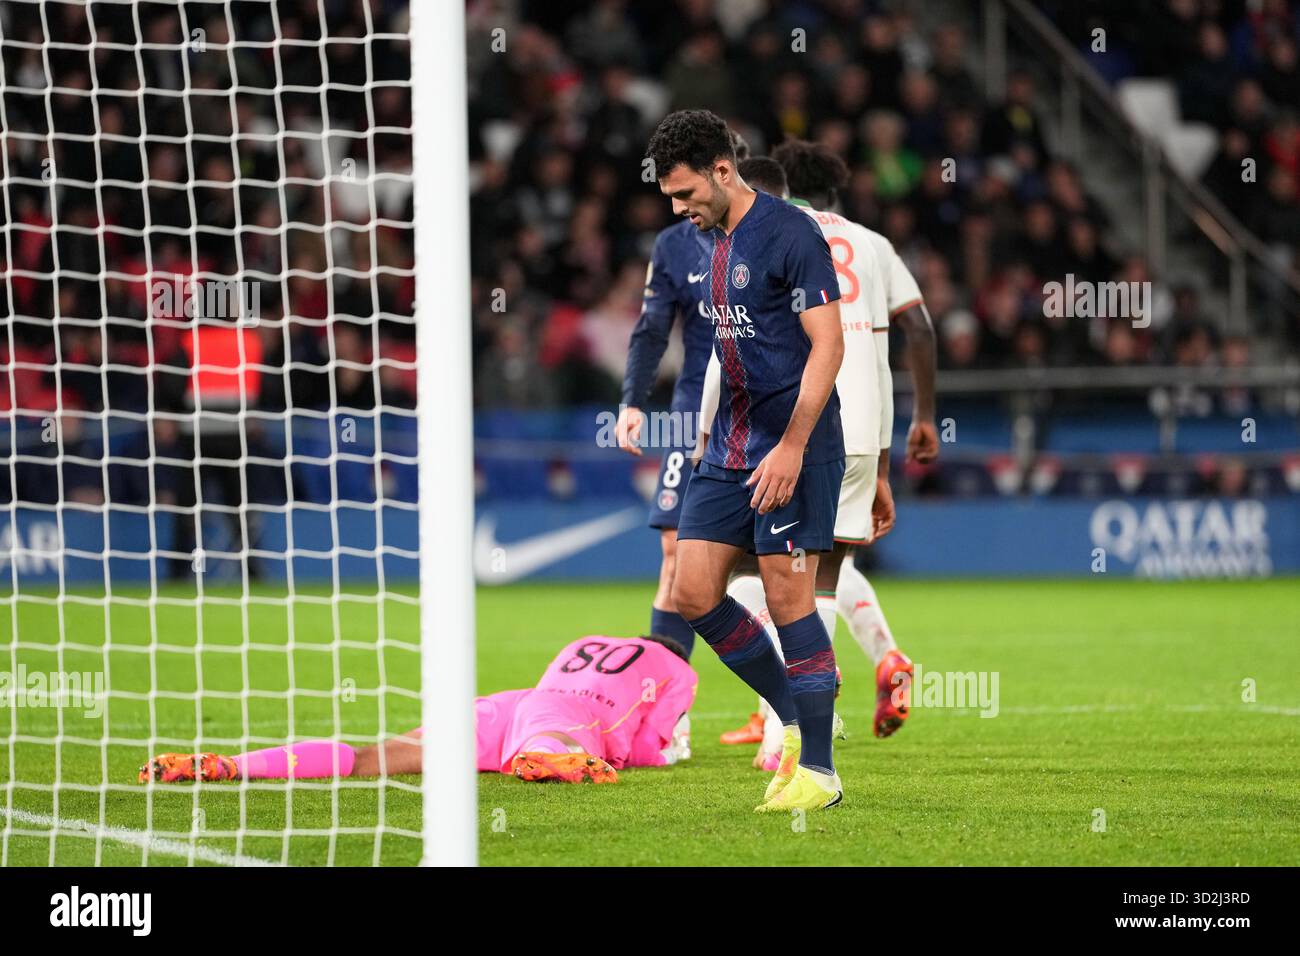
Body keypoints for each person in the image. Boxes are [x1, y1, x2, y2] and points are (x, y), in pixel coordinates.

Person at [699, 141, 936, 769]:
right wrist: (897, 450)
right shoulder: (871, 243)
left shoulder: (773, 239)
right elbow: (917, 329)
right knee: (814, 576)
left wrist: (702, 432)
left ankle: (791, 731)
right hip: (862, 430)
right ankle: (859, 675)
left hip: (793, 426)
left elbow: (731, 354)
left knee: (774, 580)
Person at [644, 109, 847, 813]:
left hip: (794, 446)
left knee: (789, 596)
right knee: (694, 587)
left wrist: (791, 446)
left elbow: (829, 345)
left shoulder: (793, 234)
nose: (678, 209)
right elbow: (717, 353)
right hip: (726, 449)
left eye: (684, 193)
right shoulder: (706, 242)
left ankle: (819, 773)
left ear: (722, 171)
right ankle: (793, 716)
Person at [139, 634, 696, 785]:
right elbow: (648, 747)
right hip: (565, 717)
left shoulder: (589, 638)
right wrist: (664, 754)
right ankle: (544, 758)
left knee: (373, 757)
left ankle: (233, 764)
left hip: (506, 707)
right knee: (558, 746)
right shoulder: (679, 670)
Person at [615, 130, 752, 664]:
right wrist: (632, 401)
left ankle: (784, 706)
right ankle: (664, 705)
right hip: (692, 412)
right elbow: (651, 329)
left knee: (767, 563)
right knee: (674, 548)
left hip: (759, 412)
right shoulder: (672, 246)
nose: (680, 204)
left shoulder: (767, 235)